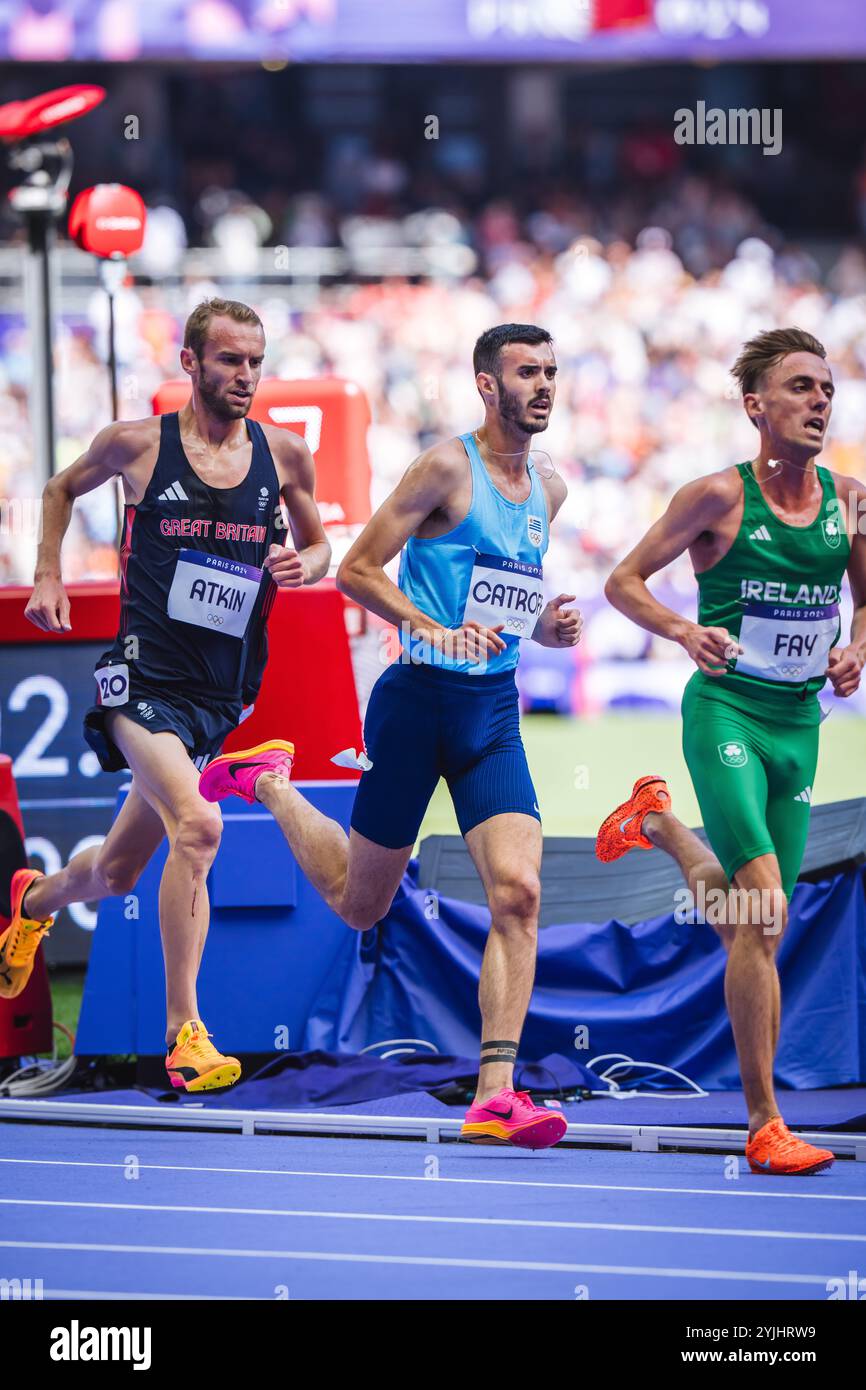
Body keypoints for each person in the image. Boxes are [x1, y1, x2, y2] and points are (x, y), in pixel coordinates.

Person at [200, 323, 582, 1147]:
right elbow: (358, 568)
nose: (544, 385)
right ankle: (267, 781)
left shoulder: (551, 487)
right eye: (527, 372)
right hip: (414, 706)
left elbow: (508, 607)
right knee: (360, 907)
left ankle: (495, 1093)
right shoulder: (447, 467)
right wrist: (430, 628)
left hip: (493, 714)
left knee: (519, 893)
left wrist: (546, 627)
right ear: (488, 384)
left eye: (551, 371)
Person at [0, 297, 330, 1092]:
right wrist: (47, 570)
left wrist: (305, 566)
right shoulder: (137, 447)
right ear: (190, 363)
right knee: (200, 824)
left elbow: (319, 544)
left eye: (254, 361)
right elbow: (56, 488)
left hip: (218, 701)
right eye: (229, 360)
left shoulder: (284, 455)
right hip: (140, 682)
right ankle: (186, 1033)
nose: (245, 375)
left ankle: (30, 903)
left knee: (116, 872)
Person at [596, 327, 866, 1174]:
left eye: (826, 388)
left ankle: (663, 828)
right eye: (800, 387)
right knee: (764, 910)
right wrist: (683, 629)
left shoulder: (850, 500)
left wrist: (858, 646)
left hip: (799, 725)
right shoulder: (716, 496)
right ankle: (764, 1124)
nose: (820, 400)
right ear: (757, 406)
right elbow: (623, 582)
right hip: (727, 717)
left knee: (756, 927)